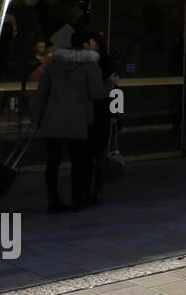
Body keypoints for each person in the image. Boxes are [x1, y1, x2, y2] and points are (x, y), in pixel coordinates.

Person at [29, 28, 106, 213]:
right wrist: (111, 84)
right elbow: (97, 94)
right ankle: (78, 201)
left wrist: (36, 117)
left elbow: (42, 93)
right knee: (79, 162)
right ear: (85, 45)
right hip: (78, 120)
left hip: (53, 118)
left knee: (52, 164)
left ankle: (54, 201)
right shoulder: (91, 65)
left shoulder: (53, 63)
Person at [84, 33, 121, 206]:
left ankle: (95, 190)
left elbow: (117, 89)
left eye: (90, 43)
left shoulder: (105, 63)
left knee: (98, 154)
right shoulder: (92, 62)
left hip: (101, 113)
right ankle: (92, 190)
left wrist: (115, 114)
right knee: (94, 153)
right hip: (95, 112)